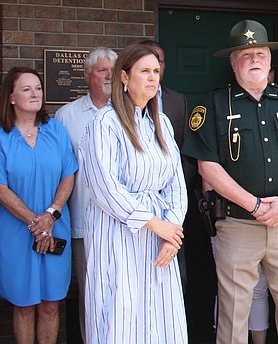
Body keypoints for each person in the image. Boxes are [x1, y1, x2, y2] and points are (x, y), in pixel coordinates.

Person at [182, 19, 278, 344]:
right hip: (238, 225)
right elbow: (207, 167)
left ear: (270, 59)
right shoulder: (214, 104)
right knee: (233, 316)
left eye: (260, 53)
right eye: (245, 55)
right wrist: (255, 205)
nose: (254, 60)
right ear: (233, 63)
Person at [79, 43, 188, 343]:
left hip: (161, 238)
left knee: (161, 314)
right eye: (144, 71)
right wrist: (154, 223)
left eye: (156, 71)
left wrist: (171, 232)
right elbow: (105, 186)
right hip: (119, 233)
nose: (153, 77)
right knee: (121, 311)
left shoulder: (161, 124)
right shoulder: (105, 123)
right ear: (124, 77)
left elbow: (176, 184)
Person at [139, 39, 216, 343]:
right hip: (139, 213)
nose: (154, 71)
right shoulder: (111, 116)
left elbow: (185, 152)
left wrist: (175, 193)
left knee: (177, 276)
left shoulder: (177, 101)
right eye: (146, 66)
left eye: (158, 64)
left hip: (173, 204)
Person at [0, 67, 77, 344]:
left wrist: (50, 216)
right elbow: (1, 189)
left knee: (51, 303)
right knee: (23, 305)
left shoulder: (55, 130)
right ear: (11, 97)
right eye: (26, 89)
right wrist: (35, 222)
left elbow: (68, 175)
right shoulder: (2, 136)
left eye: (39, 88)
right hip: (16, 232)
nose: (35, 94)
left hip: (55, 227)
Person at [54, 47, 117, 343]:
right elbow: (59, 171)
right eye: (102, 70)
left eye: (113, 70)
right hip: (84, 223)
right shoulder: (66, 116)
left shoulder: (129, 112)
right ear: (87, 76)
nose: (108, 76)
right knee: (91, 295)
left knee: (123, 291)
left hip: (125, 223)